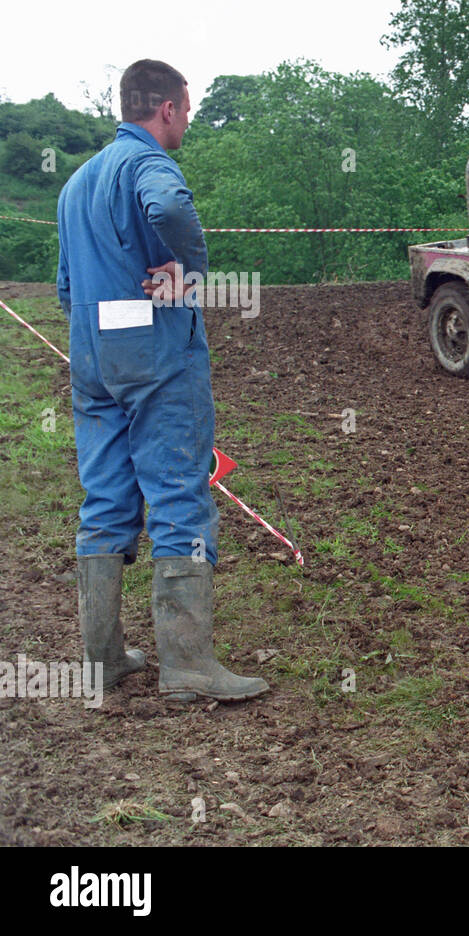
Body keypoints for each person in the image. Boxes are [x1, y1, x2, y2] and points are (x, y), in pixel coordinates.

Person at [56, 59, 268, 703]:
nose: (188, 119)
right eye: (188, 107)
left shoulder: (75, 183)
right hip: (155, 354)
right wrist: (190, 270)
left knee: (105, 496)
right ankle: (186, 665)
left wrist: (104, 326)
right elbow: (170, 205)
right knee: (178, 491)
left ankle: (103, 658)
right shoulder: (150, 164)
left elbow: (66, 286)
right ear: (169, 108)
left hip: (91, 359)